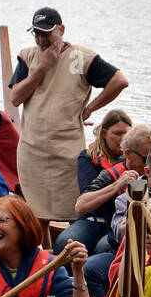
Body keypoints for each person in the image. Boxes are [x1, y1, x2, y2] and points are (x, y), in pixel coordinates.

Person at [9, 7, 128, 219]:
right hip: (32, 150)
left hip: (66, 152)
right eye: (37, 33)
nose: (41, 39)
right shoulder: (28, 57)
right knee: (35, 214)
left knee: (73, 211)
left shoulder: (81, 57)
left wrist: (91, 108)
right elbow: (16, 97)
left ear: (61, 30)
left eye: (47, 33)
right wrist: (41, 68)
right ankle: (44, 252)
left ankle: (73, 248)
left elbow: (119, 81)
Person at [77, 126, 151, 297]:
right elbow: (80, 206)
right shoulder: (111, 175)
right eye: (146, 158)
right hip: (113, 235)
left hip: (148, 243)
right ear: (128, 153)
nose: (150, 164)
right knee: (73, 245)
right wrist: (117, 185)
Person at [52, 108, 132, 255]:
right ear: (104, 133)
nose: (123, 138)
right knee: (66, 241)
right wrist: (115, 186)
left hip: (121, 221)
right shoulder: (88, 157)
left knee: (104, 248)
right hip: (94, 218)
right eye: (117, 133)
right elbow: (86, 196)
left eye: (126, 133)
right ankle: (65, 276)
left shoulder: (134, 160)